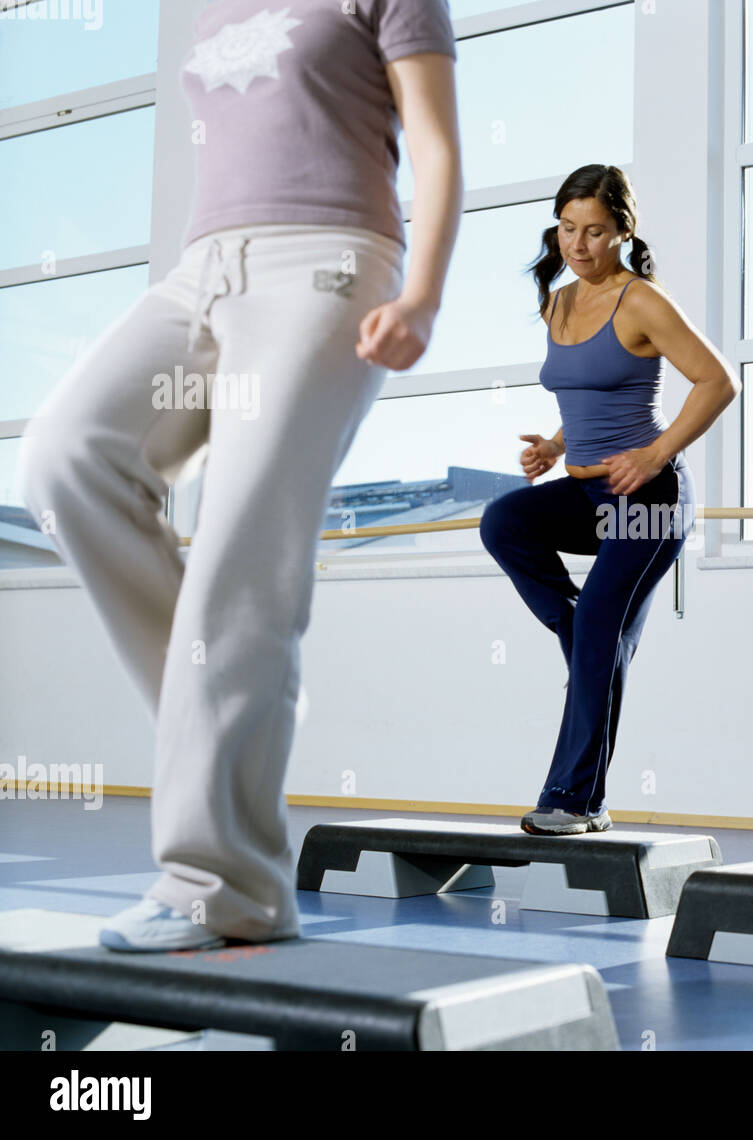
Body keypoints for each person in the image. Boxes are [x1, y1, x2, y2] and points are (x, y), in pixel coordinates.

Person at [18, 0, 463, 950]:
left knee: (240, 556)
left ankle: (227, 884)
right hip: (201, 270)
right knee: (66, 462)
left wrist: (423, 292)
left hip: (332, 268)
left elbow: (434, 143)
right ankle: (231, 690)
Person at [479, 164, 740, 835]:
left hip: (649, 497)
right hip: (588, 488)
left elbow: (717, 382)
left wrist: (656, 453)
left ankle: (575, 801)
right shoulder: (557, 302)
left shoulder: (642, 301)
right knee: (505, 520)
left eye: (595, 231)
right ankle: (588, 641)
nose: (578, 244)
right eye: (568, 228)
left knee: (602, 629)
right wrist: (555, 447)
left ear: (623, 231)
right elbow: (589, 392)